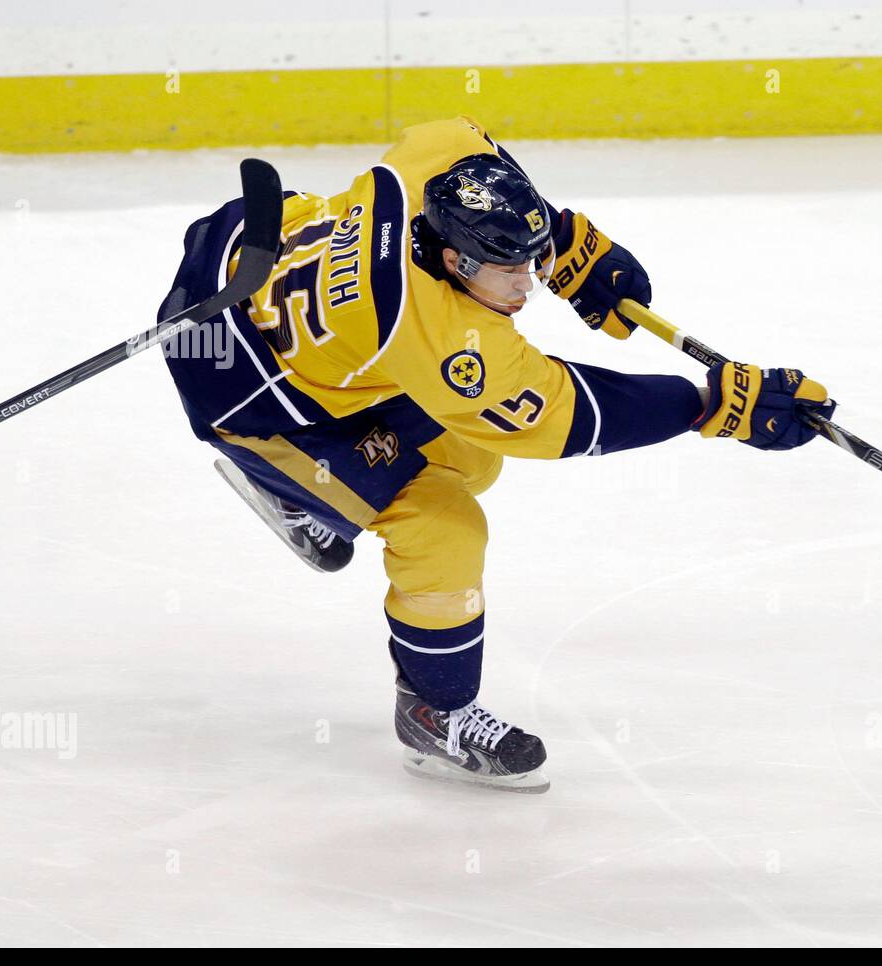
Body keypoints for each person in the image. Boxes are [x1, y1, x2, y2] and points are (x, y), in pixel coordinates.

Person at [157, 115, 834, 793]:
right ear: (454, 259)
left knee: (473, 459)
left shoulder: (430, 168)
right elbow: (574, 415)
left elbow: (469, 140)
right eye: (510, 267)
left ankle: (326, 498)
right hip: (249, 393)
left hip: (247, 250)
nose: (528, 284)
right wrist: (711, 404)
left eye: (531, 262)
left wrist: (565, 241)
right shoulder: (442, 341)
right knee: (446, 528)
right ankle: (433, 709)